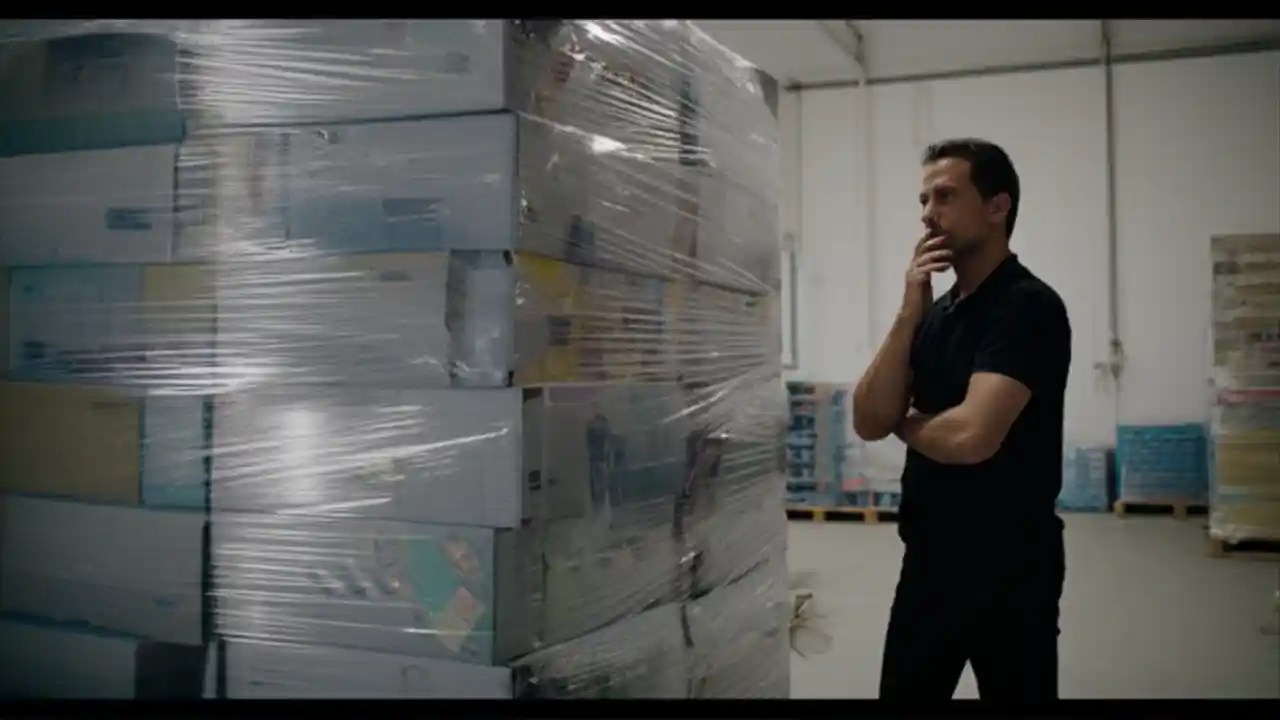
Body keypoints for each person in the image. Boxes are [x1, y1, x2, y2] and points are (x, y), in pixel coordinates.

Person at [852, 138, 1072, 700]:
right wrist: (909, 309)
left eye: (946, 195)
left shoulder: (1027, 307)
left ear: (998, 206)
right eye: (924, 199)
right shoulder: (936, 314)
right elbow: (867, 417)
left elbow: (972, 436)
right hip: (928, 560)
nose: (928, 212)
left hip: (1011, 569)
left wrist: (907, 423)